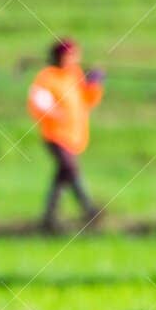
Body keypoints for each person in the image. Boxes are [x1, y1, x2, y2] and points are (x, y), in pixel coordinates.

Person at [27, 37, 105, 232]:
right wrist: (56, 114)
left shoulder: (74, 75)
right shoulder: (46, 77)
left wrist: (95, 84)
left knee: (62, 176)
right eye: (71, 56)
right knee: (70, 169)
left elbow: (88, 101)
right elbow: (38, 103)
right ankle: (90, 210)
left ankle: (49, 218)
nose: (75, 60)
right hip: (55, 134)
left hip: (74, 135)